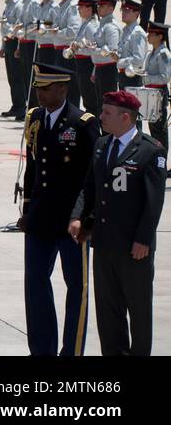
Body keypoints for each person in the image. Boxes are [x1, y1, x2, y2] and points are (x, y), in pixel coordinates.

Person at [69, 90, 167, 356]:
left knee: (138, 311)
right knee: (108, 312)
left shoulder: (150, 151)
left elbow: (153, 203)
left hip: (134, 248)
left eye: (107, 113)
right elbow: (90, 187)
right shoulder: (102, 145)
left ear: (126, 117)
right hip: (104, 243)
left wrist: (143, 240)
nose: (101, 117)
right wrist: (78, 216)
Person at [18, 63, 100, 356]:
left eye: (46, 89)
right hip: (40, 217)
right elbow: (32, 169)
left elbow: (91, 177)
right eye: (38, 88)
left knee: (76, 289)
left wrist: (83, 216)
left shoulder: (82, 122)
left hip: (71, 221)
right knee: (36, 285)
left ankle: (72, 350)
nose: (40, 94)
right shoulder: (35, 119)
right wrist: (27, 209)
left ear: (63, 89)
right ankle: (42, 350)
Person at [14, 0, 42, 121]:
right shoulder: (25, 2)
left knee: (32, 79)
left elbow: (36, 25)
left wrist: (23, 29)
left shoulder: (35, 3)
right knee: (26, 78)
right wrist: (19, 45)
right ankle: (29, 107)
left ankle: (33, 109)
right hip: (24, 42)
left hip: (32, 43)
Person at [0, 0, 25, 118]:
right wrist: (3, 45)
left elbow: (19, 28)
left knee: (17, 76)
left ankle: (21, 106)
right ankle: (16, 105)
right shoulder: (9, 4)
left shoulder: (19, 5)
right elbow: (4, 27)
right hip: (8, 42)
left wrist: (19, 47)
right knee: (11, 77)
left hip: (15, 42)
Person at [141, 22, 170, 148]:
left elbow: (165, 78)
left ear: (160, 36)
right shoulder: (151, 53)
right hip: (150, 93)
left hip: (159, 94)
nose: (148, 35)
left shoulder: (163, 54)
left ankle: (161, 158)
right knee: (153, 127)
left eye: (151, 33)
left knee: (159, 129)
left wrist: (147, 78)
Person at [53, 0, 81, 107]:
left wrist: (56, 32)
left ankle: (71, 117)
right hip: (60, 50)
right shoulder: (63, 5)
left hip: (67, 53)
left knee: (70, 89)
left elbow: (72, 31)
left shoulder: (73, 7)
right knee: (61, 88)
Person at [72, 0, 101, 114]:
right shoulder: (85, 23)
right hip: (81, 64)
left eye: (81, 7)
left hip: (87, 64)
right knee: (87, 99)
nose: (78, 10)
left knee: (91, 101)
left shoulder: (92, 26)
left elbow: (93, 48)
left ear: (89, 9)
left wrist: (79, 48)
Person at [91, 0, 122, 99]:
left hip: (108, 69)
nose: (98, 8)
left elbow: (112, 50)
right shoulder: (103, 24)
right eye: (98, 5)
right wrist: (95, 70)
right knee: (100, 104)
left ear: (111, 8)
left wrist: (94, 50)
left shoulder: (111, 26)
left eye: (102, 6)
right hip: (101, 68)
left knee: (107, 104)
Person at [116, 0, 148, 89]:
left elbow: (138, 59)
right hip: (123, 75)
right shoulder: (125, 31)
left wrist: (120, 62)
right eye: (122, 10)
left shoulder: (137, 33)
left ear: (136, 13)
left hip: (133, 78)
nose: (123, 13)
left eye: (127, 11)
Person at [35, 0, 59, 67]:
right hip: (40, 46)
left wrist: (43, 31)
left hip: (50, 47)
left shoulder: (55, 8)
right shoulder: (39, 7)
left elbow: (55, 28)